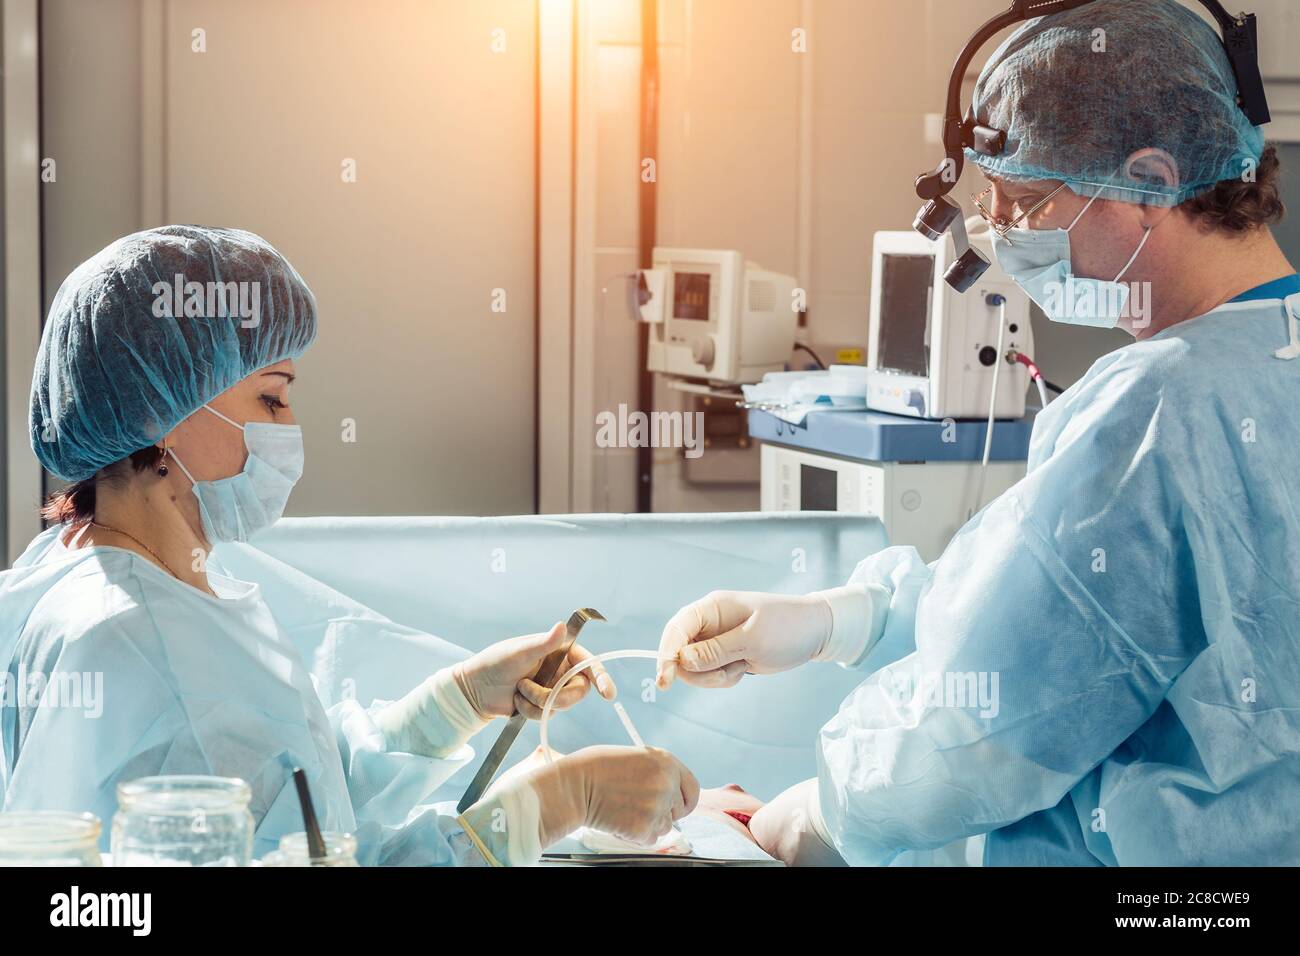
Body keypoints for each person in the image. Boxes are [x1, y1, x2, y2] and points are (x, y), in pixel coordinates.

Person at [657, 0, 1300, 866]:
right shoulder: (1247, 369)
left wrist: (817, 814)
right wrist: (845, 620)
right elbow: (1070, 606)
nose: (1001, 239)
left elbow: (988, 729)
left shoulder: (1161, 408)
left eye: (1029, 203)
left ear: (1150, 181)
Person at [1, 225, 698, 866]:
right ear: (166, 416)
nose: (291, 424)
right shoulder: (146, 646)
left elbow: (285, 797)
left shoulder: (84, 569)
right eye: (272, 398)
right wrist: (555, 804)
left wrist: (452, 705)